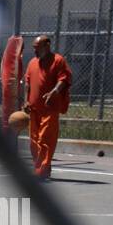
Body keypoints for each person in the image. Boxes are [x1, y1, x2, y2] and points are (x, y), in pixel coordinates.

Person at [23, 35, 71, 181]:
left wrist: (54, 92)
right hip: (34, 109)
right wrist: (25, 101)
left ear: (47, 46)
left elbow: (63, 79)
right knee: (34, 142)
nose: (35, 52)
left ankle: (40, 170)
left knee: (45, 140)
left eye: (38, 49)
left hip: (50, 109)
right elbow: (27, 83)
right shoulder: (32, 63)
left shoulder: (58, 61)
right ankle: (44, 167)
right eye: (34, 49)